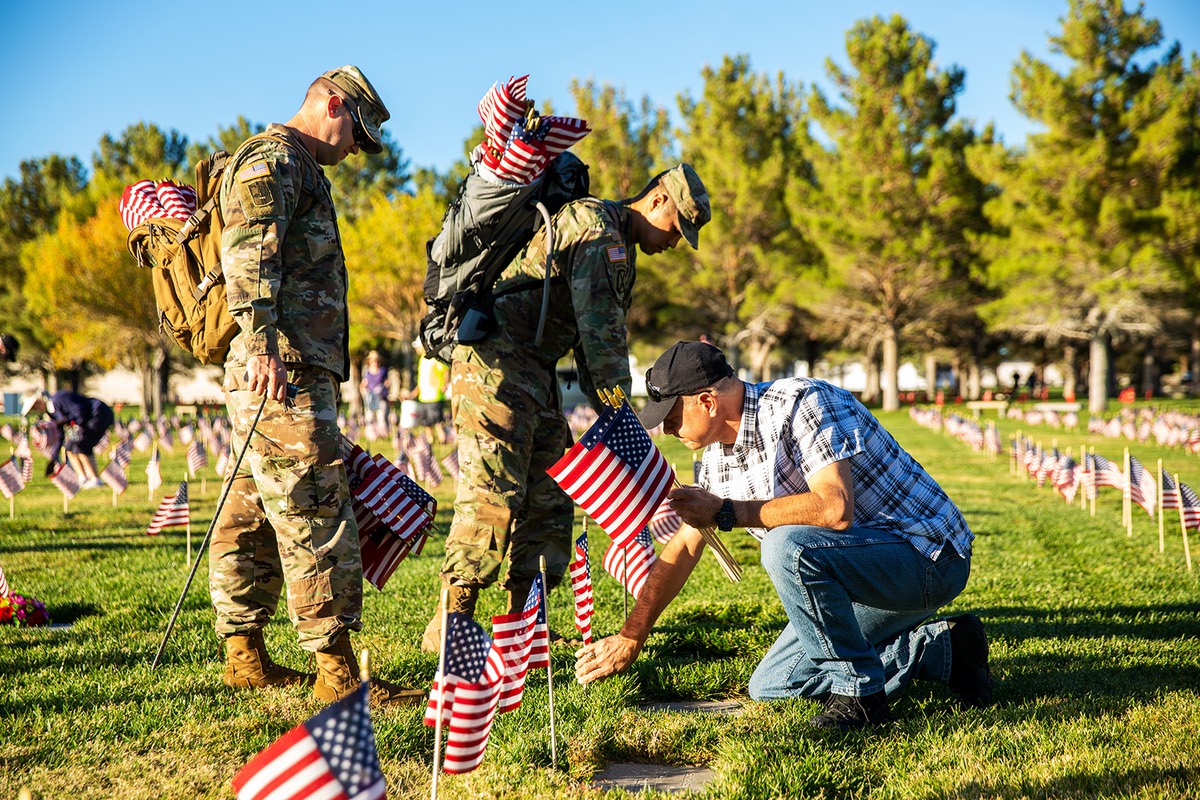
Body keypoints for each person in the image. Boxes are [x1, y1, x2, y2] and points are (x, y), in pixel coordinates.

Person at [574, 341, 993, 729]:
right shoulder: (715, 458)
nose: (666, 430)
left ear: (707, 402)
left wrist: (725, 511)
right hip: (863, 578)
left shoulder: (803, 402)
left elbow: (834, 509)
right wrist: (632, 635)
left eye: (671, 417)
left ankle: (859, 695)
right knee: (774, 684)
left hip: (928, 559)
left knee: (785, 545)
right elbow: (683, 545)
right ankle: (945, 650)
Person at [421, 164, 712, 651]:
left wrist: (616, 413)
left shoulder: (615, 239)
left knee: (550, 497)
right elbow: (602, 343)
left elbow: (587, 339)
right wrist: (625, 421)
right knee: (492, 494)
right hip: (495, 365)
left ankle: (521, 624)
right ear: (657, 199)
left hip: (533, 369)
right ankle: (451, 626)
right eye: (677, 228)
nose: (675, 243)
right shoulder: (599, 231)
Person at [212, 65, 418, 706]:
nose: (358, 148)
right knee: (314, 510)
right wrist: (265, 341)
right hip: (283, 369)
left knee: (248, 513)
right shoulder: (274, 161)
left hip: (282, 367)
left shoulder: (297, 166)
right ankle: (339, 676)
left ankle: (245, 657)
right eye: (359, 131)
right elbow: (248, 256)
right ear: (332, 103)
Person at [21, 389, 114, 487]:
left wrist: (66, 420)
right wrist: (53, 459)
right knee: (69, 447)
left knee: (82, 446)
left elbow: (80, 412)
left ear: (40, 400)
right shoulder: (52, 412)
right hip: (87, 420)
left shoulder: (59, 399)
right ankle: (82, 478)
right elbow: (60, 435)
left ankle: (95, 480)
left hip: (98, 415)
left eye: (35, 406)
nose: (36, 410)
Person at [358, 349, 390, 437]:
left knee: (381, 417)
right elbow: (364, 384)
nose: (375, 362)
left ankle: (382, 434)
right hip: (371, 397)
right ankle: (371, 435)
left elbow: (387, 383)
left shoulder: (383, 371)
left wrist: (383, 388)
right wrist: (364, 392)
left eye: (376, 360)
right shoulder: (367, 372)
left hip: (380, 397)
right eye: (373, 360)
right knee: (370, 416)